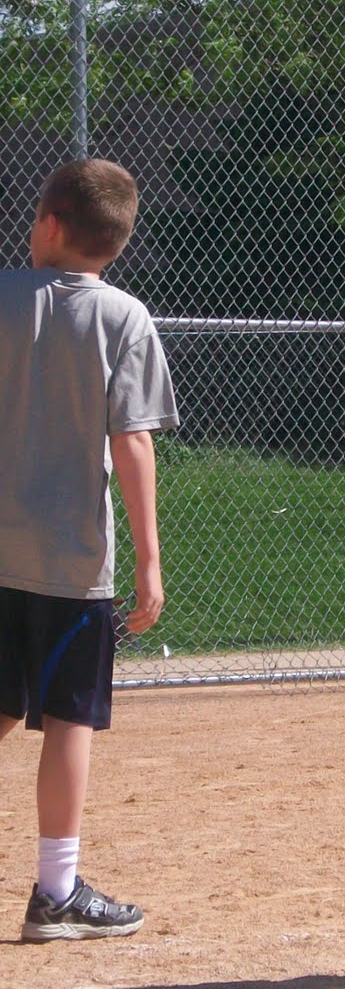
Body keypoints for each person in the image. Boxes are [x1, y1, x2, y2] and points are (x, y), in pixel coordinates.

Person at [0, 159, 178, 941]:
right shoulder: (125, 317)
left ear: (46, 225)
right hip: (73, 564)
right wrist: (148, 562)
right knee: (68, 720)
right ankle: (57, 891)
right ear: (115, 245)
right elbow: (132, 443)